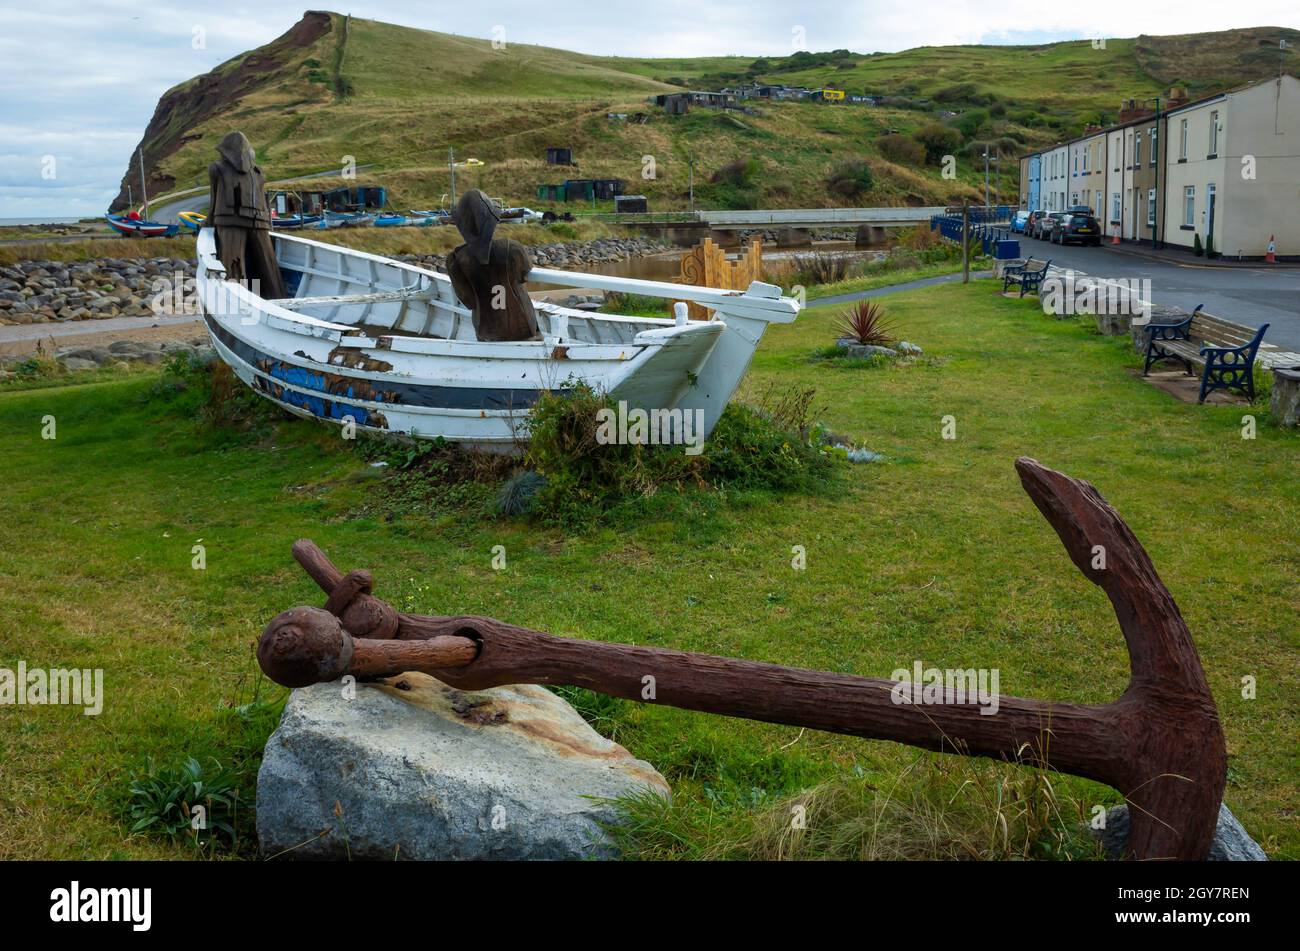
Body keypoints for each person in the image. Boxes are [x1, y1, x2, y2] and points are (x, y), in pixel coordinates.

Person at [444, 190, 539, 342]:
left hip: (486, 332)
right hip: (523, 328)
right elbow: (523, 275)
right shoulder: (512, 249)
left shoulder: (456, 261)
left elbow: (469, 301)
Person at [207, 131, 286, 299]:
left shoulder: (216, 168)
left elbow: (214, 200)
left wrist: (209, 221)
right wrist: (268, 222)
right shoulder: (258, 172)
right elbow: (263, 200)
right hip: (259, 221)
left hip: (228, 220)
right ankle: (278, 299)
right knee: (268, 265)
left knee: (232, 263)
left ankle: (235, 300)